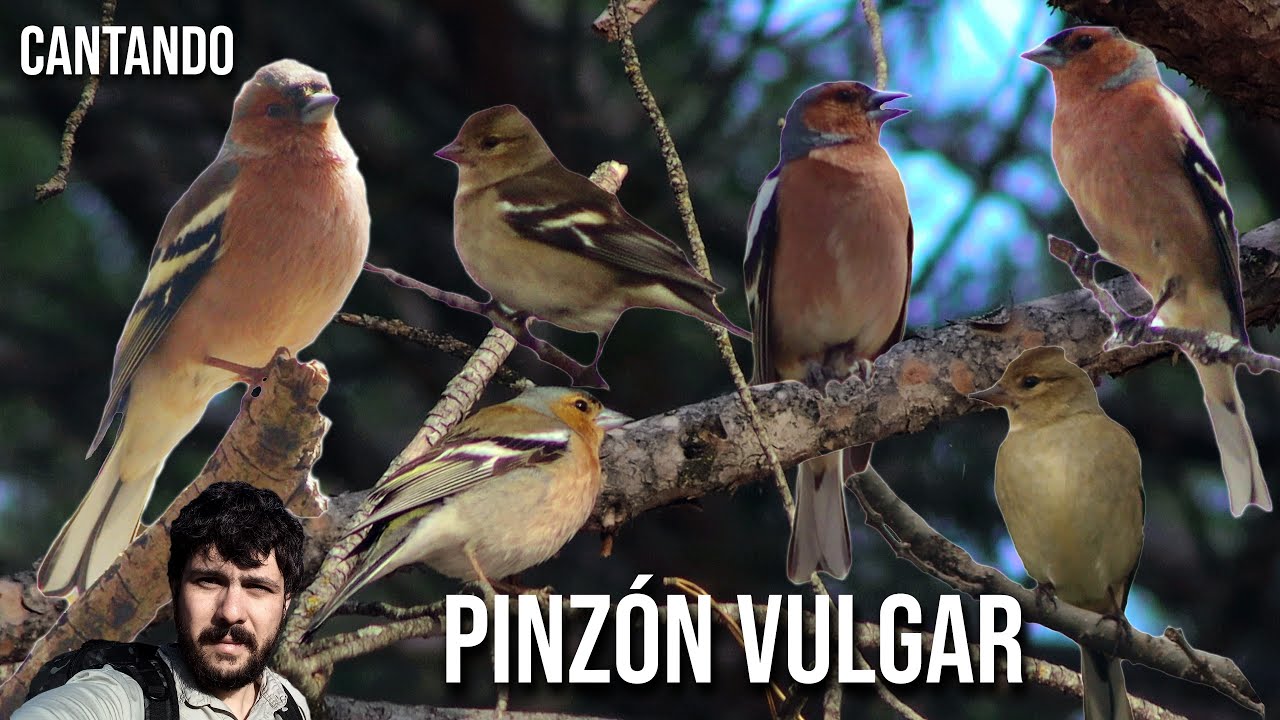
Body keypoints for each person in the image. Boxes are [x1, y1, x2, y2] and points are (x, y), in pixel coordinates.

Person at [17, 482, 310, 720]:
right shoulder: (126, 695)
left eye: (257, 587)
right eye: (208, 582)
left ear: (286, 602)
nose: (230, 612)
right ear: (175, 589)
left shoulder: (290, 706)